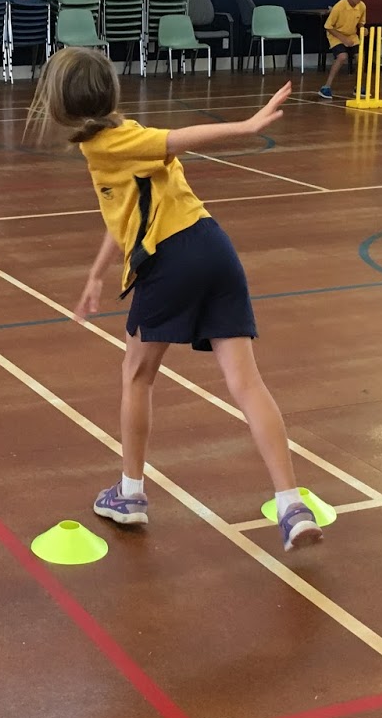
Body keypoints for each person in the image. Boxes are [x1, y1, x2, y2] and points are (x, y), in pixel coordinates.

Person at [26, 47, 323, 552]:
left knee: (137, 375)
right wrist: (96, 274)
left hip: (171, 258)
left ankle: (130, 493)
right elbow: (124, 213)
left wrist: (247, 127)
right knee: (246, 382)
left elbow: (176, 138)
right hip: (214, 247)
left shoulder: (109, 145)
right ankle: (291, 505)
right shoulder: (122, 139)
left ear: (61, 105)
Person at [319, 0, 366, 101]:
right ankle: (326, 87)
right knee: (342, 57)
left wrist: (362, 29)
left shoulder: (362, 6)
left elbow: (361, 22)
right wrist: (343, 39)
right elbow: (328, 26)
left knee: (360, 58)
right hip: (336, 35)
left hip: (352, 36)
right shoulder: (339, 6)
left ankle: (358, 86)